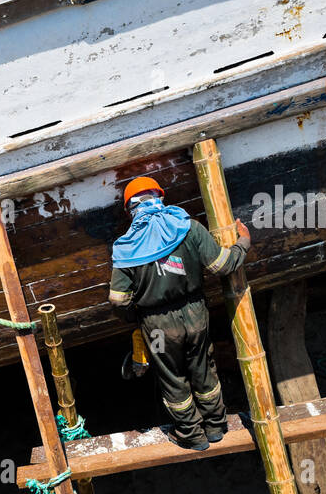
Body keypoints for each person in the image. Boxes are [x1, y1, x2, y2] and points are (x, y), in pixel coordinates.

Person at [107, 176, 251, 450]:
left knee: (172, 377)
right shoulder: (188, 228)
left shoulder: (126, 248)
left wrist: (134, 319)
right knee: (202, 368)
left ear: (130, 210)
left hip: (158, 325)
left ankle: (191, 435)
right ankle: (216, 427)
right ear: (160, 197)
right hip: (196, 313)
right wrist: (243, 242)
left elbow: (118, 299)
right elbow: (223, 265)